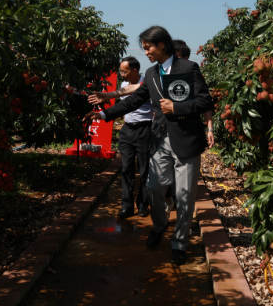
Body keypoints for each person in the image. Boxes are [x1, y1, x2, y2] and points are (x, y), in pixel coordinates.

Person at [86, 26, 213, 265]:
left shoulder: (188, 68)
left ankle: (179, 243)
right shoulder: (152, 74)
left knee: (185, 197)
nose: (146, 53)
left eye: (148, 47)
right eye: (144, 48)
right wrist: (104, 115)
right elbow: (133, 100)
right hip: (160, 140)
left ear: (162, 45)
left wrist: (177, 108)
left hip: (185, 140)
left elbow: (205, 99)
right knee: (154, 187)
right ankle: (160, 224)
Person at [105, 57, 153, 219]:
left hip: (145, 130)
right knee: (126, 168)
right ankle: (126, 206)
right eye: (120, 71)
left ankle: (142, 204)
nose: (121, 74)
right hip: (127, 130)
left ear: (134, 70)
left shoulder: (147, 83)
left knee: (145, 169)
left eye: (124, 71)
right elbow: (123, 105)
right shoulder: (124, 85)